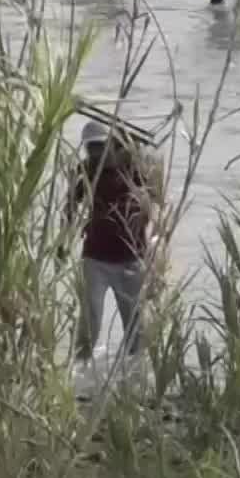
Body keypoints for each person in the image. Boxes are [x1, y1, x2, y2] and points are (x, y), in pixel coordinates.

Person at [64, 120, 152, 365]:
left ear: (113, 145)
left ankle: (134, 380)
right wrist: (64, 241)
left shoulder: (134, 169)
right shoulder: (85, 170)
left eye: (101, 147)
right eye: (91, 148)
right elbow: (70, 207)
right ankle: (79, 376)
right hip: (95, 260)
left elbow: (156, 198)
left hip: (131, 260)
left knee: (135, 331)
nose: (96, 153)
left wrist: (136, 148)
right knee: (89, 325)